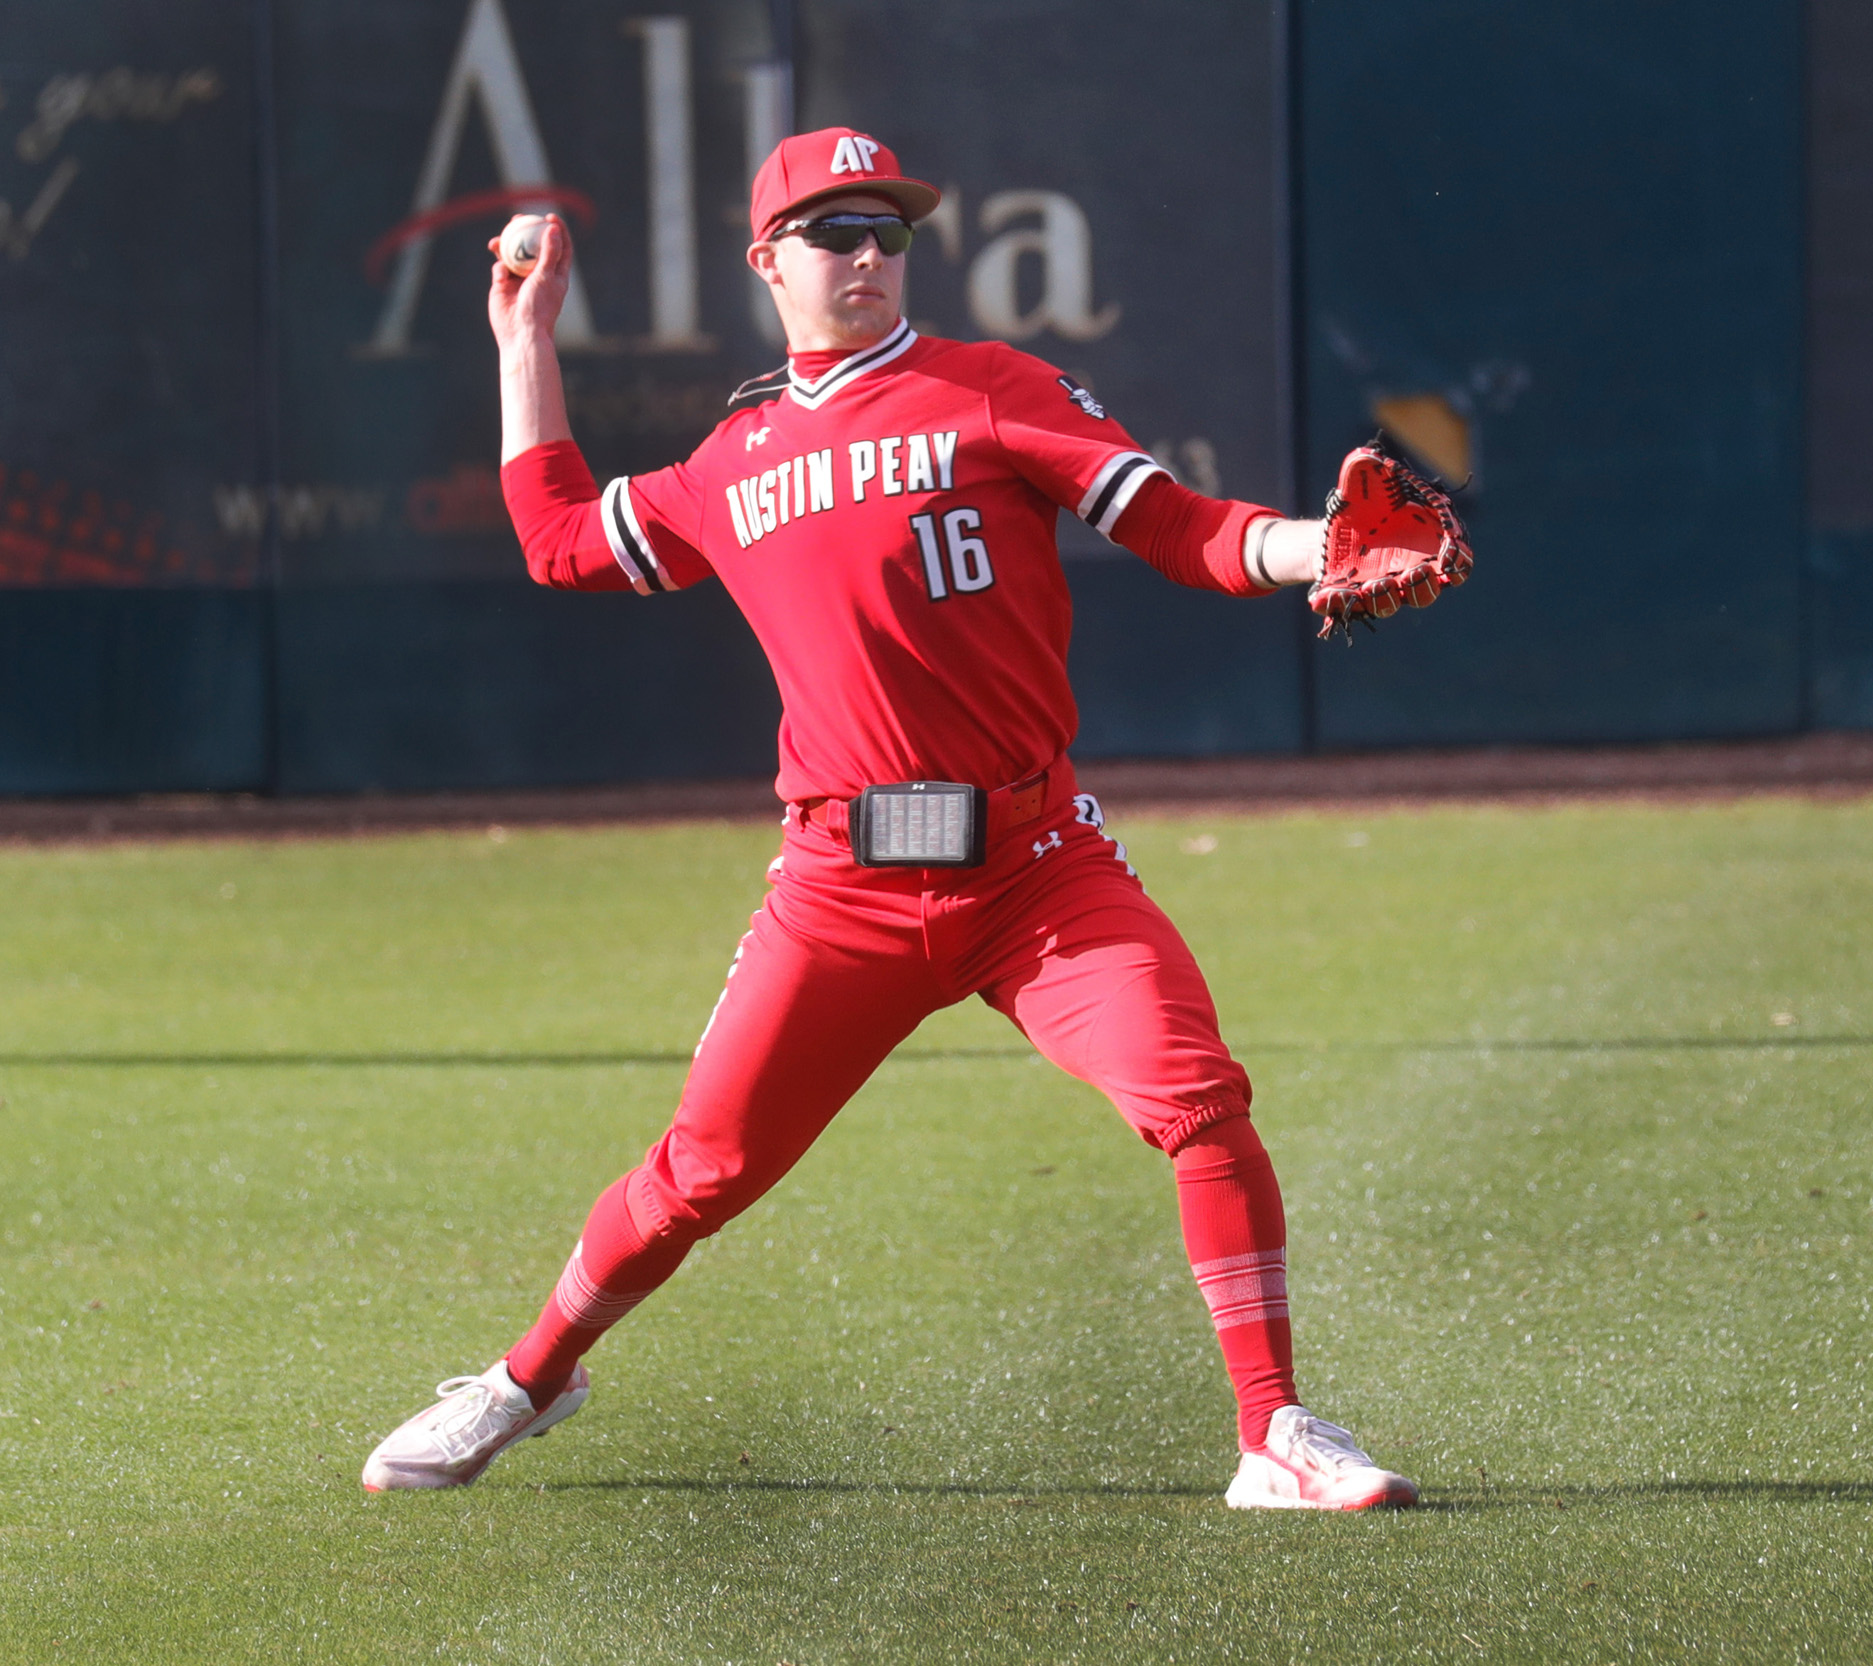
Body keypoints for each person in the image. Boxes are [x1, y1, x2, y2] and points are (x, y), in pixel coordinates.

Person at [362, 128, 1417, 1511]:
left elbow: (1182, 527)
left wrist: (1313, 549)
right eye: (833, 231)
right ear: (768, 260)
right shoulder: (732, 458)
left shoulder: (989, 390)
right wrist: (526, 341)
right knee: (697, 1173)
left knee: (1202, 1101)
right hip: (840, 893)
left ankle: (1272, 1430)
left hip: (1038, 871)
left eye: (889, 232)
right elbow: (558, 540)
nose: (868, 254)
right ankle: (529, 1375)